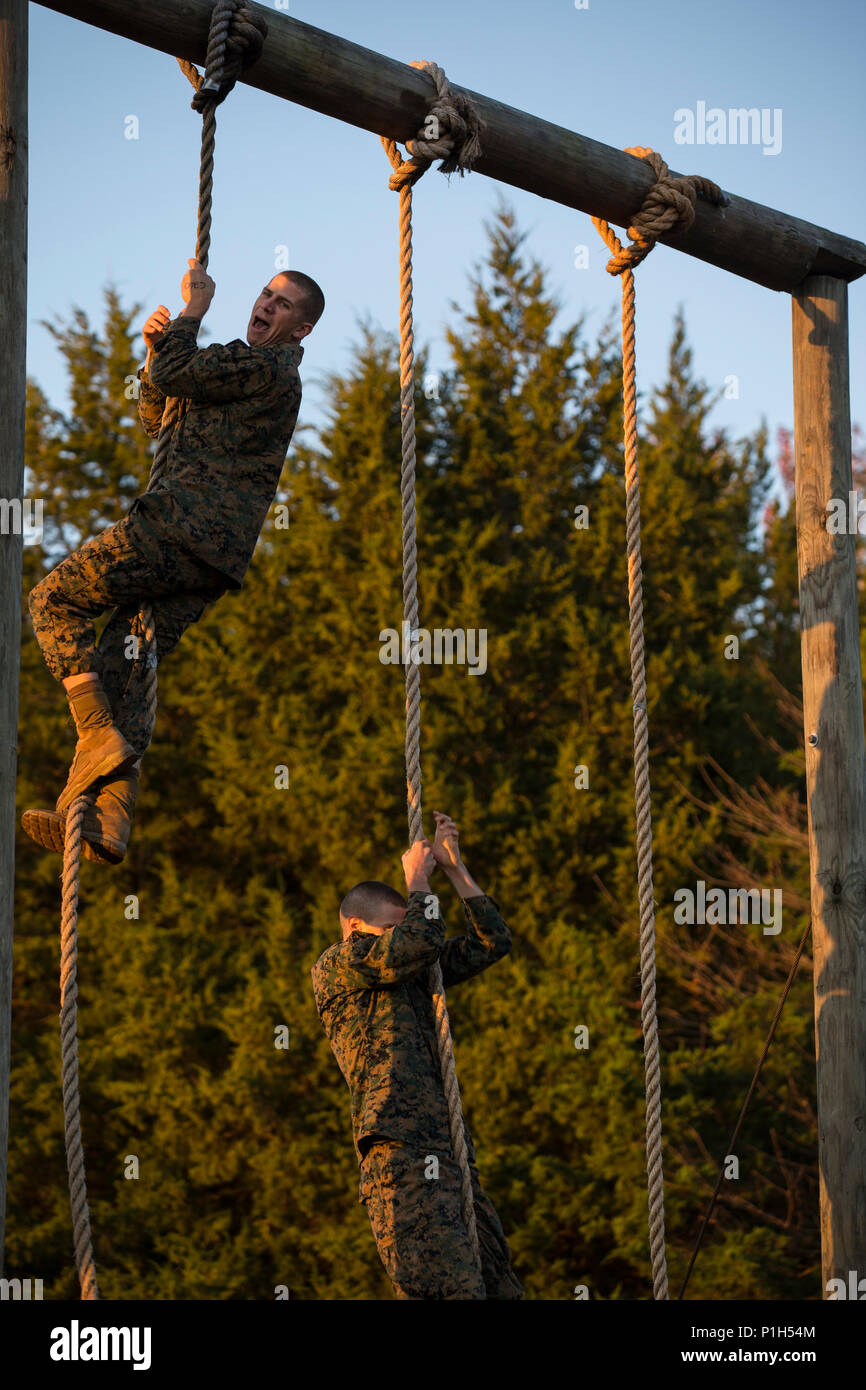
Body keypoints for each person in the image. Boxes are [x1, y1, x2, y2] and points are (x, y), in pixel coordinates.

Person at [22, 261, 324, 864]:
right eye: (267, 294)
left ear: (301, 330)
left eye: (283, 304)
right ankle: (111, 818)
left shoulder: (265, 365)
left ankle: (93, 734)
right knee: (125, 662)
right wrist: (152, 355)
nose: (266, 305)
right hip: (210, 558)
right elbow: (155, 416)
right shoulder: (240, 368)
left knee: (53, 600)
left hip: (177, 530)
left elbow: (180, 369)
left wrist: (189, 316)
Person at [311, 810, 524, 1300]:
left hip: (449, 1154)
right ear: (355, 926)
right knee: (451, 1292)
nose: (397, 937)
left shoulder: (411, 964)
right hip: (401, 1154)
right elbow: (419, 939)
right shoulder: (339, 964)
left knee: (501, 1291)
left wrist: (454, 871)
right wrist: (416, 880)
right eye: (388, 929)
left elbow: (492, 942)